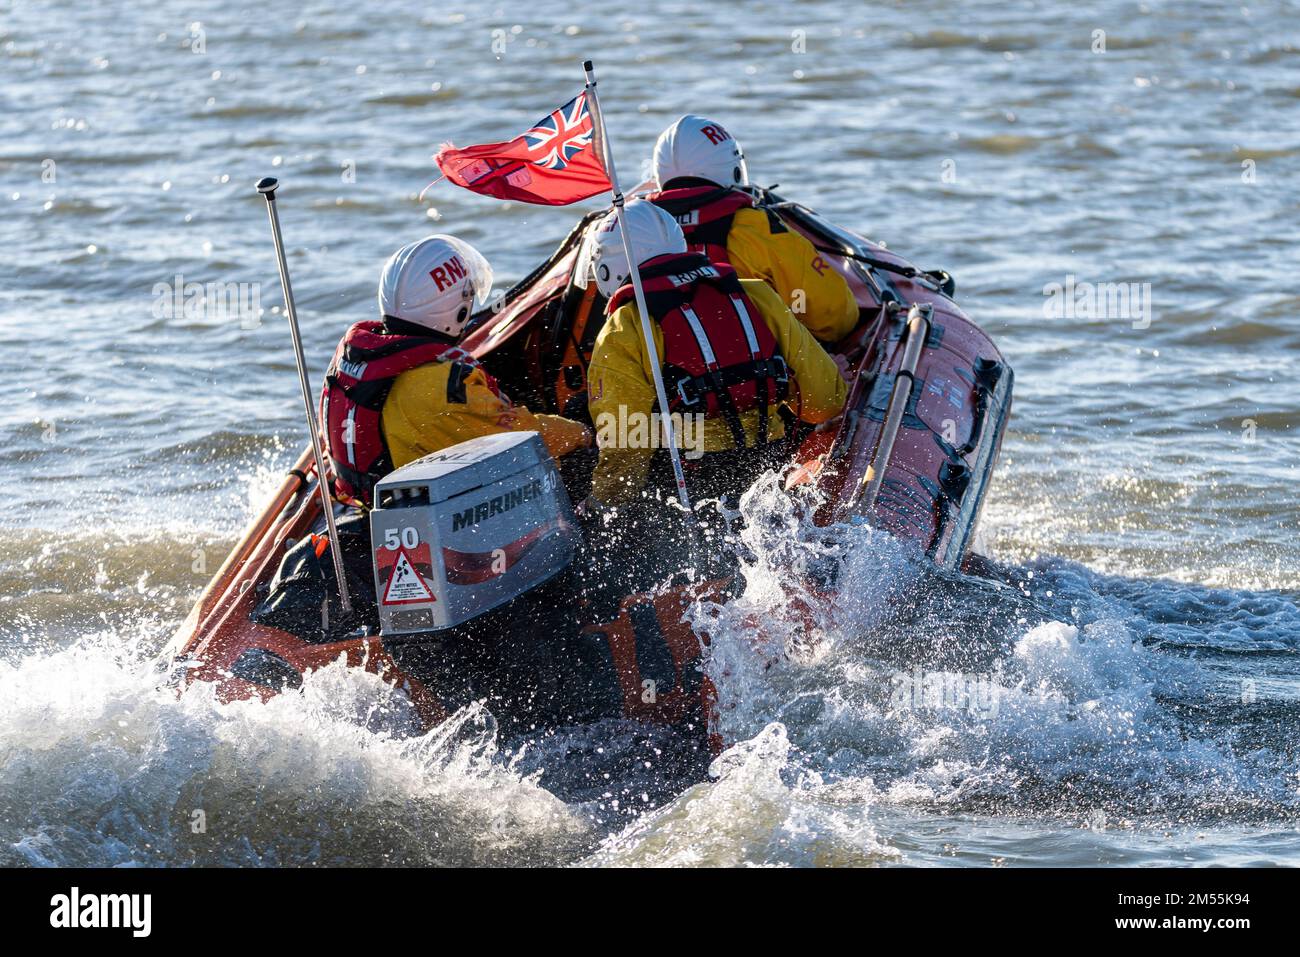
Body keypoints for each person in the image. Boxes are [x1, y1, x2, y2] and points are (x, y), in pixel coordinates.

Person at [584, 200, 847, 509]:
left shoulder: (624, 328)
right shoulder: (756, 294)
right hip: (768, 467)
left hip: (687, 485)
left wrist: (600, 506)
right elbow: (825, 403)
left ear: (606, 268)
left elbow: (625, 446)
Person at [321, 235, 591, 507]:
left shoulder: (359, 360)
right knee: (583, 459)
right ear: (456, 310)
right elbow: (524, 437)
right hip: (443, 514)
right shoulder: (444, 383)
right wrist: (581, 432)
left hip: (383, 501)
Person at [646, 114, 859, 345]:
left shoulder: (633, 231)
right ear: (733, 168)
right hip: (754, 365)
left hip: (664, 367)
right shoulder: (754, 227)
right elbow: (832, 316)